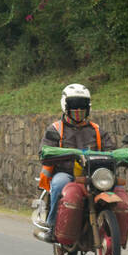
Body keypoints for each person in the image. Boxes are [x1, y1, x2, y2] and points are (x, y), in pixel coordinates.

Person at [36, 83, 110, 242]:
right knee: (58, 184)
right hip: (66, 173)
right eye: (74, 105)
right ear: (65, 105)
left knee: (116, 188)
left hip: (93, 175)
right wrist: (67, 155)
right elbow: (44, 152)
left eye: (82, 105)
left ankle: (110, 228)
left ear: (88, 107)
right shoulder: (55, 129)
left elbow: (111, 149)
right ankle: (52, 225)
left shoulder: (97, 131)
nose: (78, 110)